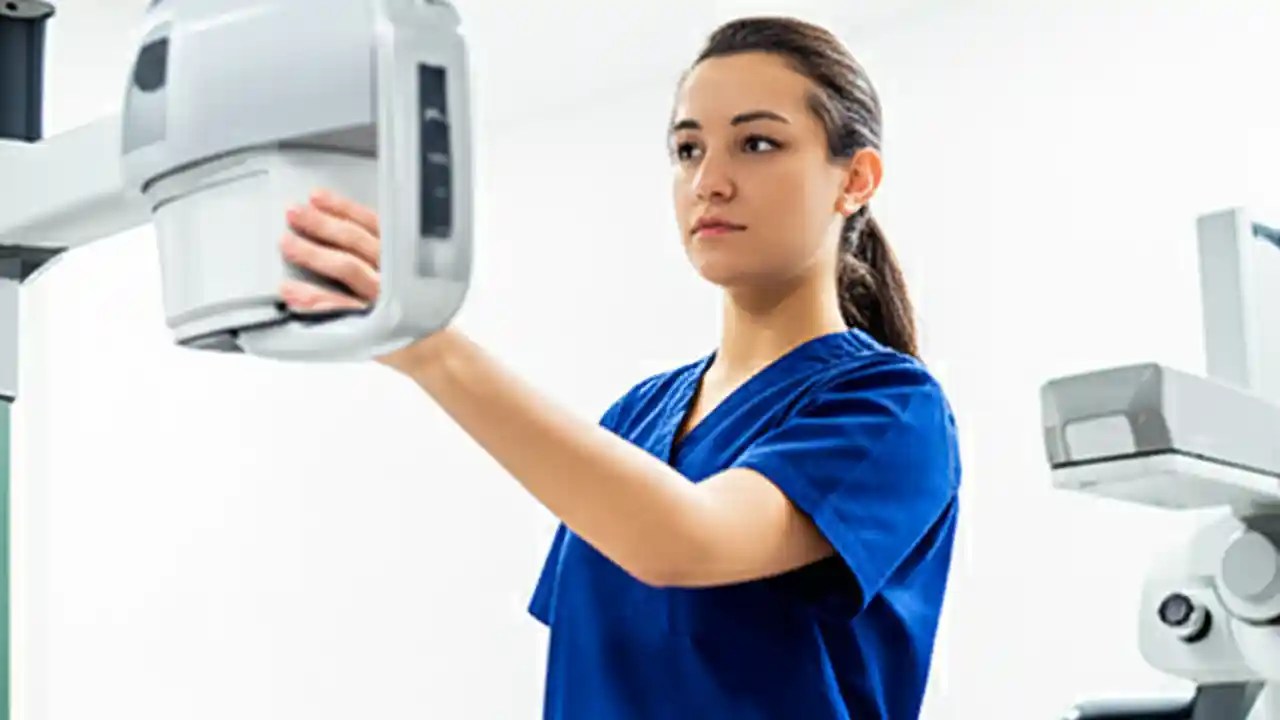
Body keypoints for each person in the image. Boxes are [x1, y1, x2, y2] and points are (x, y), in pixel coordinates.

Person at [277, 14, 961, 720]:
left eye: (757, 143)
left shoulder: (889, 409)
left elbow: (681, 542)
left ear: (856, 178)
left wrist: (434, 350)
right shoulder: (638, 416)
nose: (710, 182)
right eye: (688, 148)